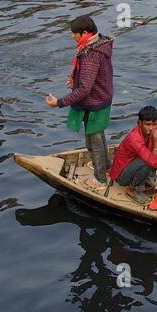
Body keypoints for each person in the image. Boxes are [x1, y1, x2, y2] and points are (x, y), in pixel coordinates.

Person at [45, 15, 116, 188]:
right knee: (96, 137)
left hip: (95, 103)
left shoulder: (91, 54)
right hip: (102, 97)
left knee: (94, 141)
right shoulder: (98, 45)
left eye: (74, 33)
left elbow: (85, 89)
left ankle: (100, 179)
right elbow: (87, 80)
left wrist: (59, 102)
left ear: (85, 33)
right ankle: (106, 166)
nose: (72, 36)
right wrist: (75, 79)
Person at [108, 106, 157, 196]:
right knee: (147, 162)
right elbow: (154, 162)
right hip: (122, 176)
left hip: (138, 165)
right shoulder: (134, 138)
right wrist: (156, 139)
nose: (151, 128)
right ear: (139, 123)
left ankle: (146, 179)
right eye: (147, 124)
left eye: (154, 124)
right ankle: (133, 188)